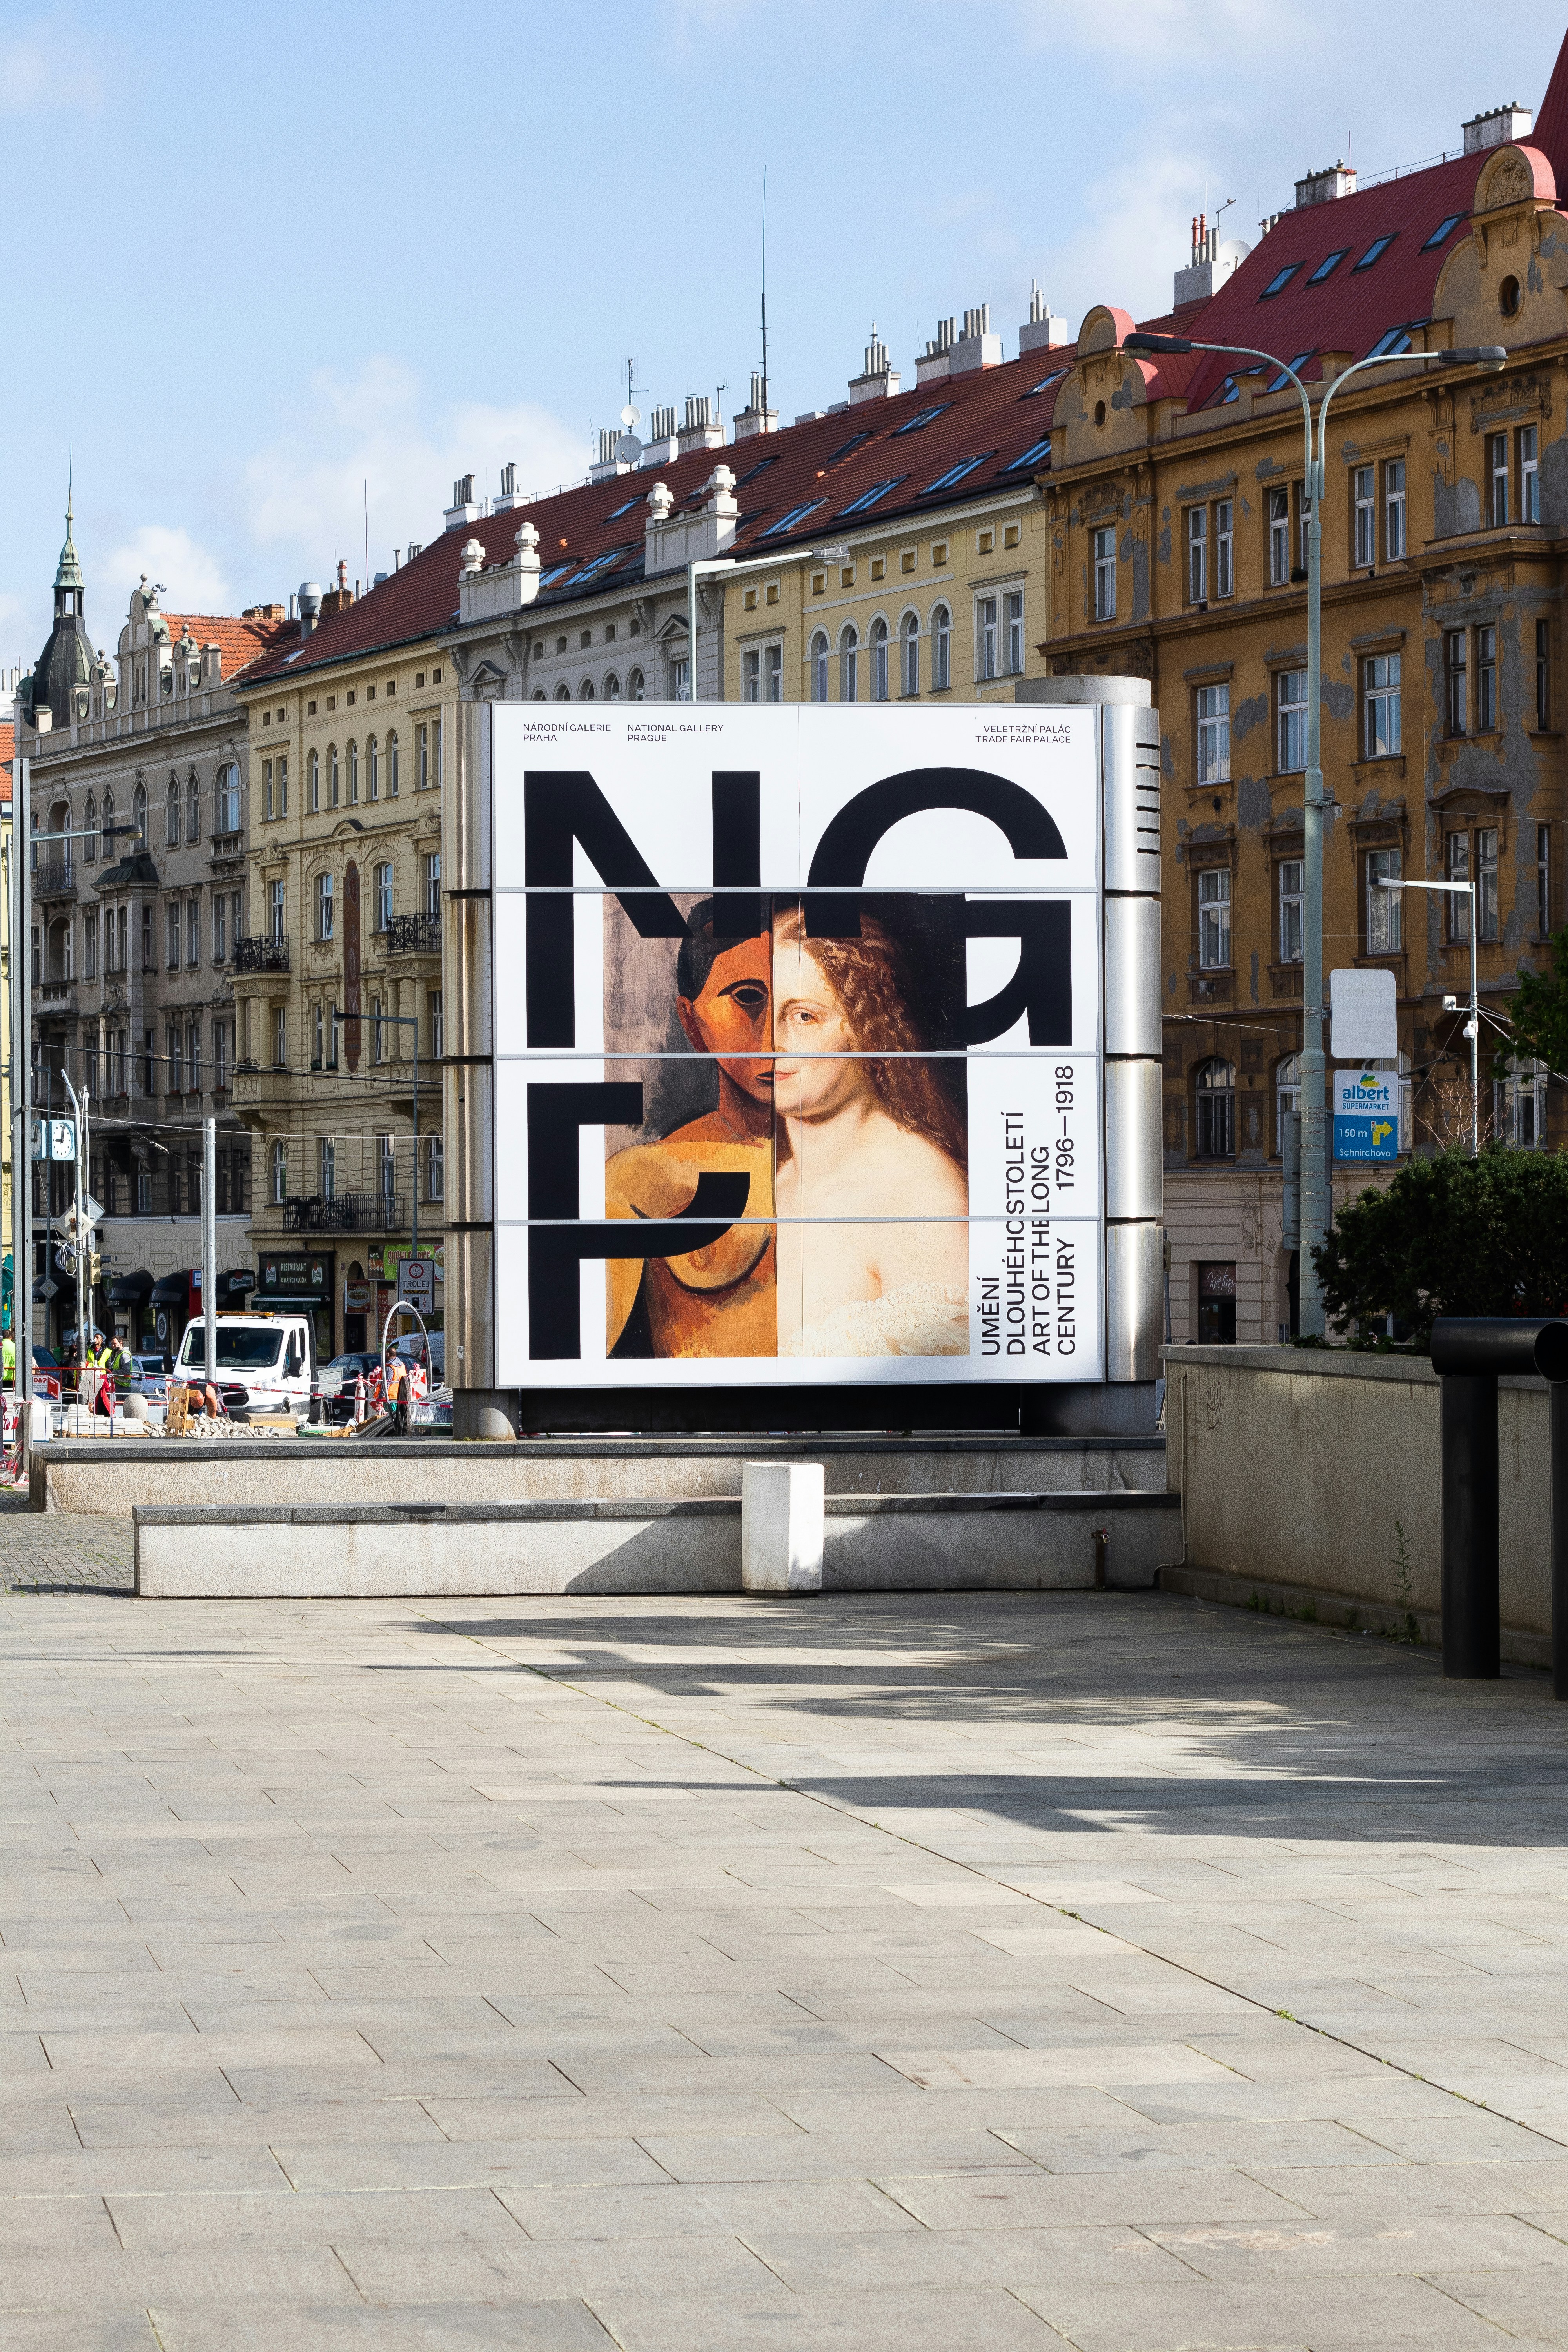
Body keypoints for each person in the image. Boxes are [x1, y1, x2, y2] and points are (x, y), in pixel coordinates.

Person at [770, 903, 970, 1359]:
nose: (772, 1044)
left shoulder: (918, 1192)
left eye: (804, 1017)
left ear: (866, 1025)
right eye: (764, 1013)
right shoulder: (772, 1181)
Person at [604, 900, 777, 1358]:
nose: (777, 1039)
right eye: (748, 997)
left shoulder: (895, 1160)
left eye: (805, 1006)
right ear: (690, 1020)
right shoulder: (642, 1180)